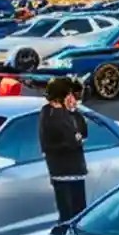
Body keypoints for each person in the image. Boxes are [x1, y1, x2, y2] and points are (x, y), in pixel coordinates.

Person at [39, 77, 88, 222]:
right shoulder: (50, 114)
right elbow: (70, 140)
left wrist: (74, 112)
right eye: (70, 94)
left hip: (76, 171)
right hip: (62, 172)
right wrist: (75, 140)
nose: (72, 98)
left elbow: (83, 133)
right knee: (69, 214)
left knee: (79, 212)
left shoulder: (70, 113)